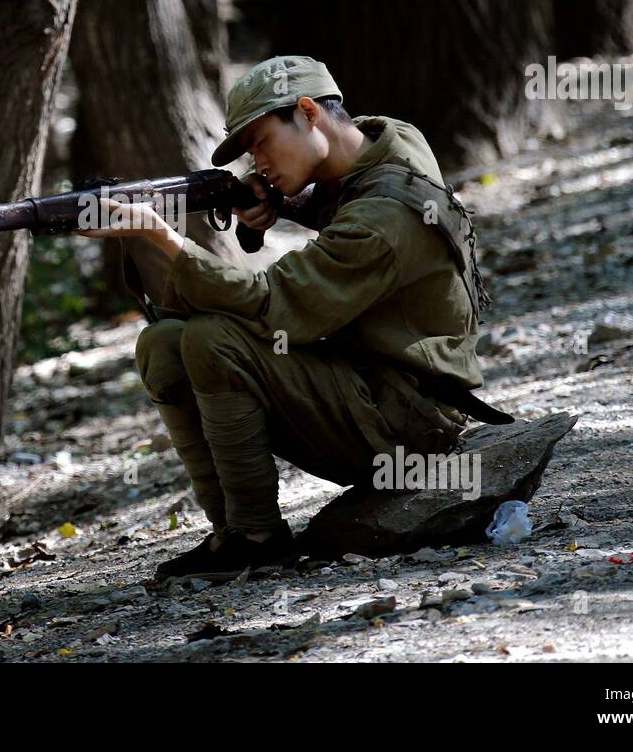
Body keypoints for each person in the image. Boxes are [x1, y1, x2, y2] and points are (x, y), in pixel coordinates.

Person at [77, 55, 499, 581]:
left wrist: (161, 237)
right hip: (373, 387)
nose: (256, 165)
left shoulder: (383, 220)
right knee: (163, 343)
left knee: (213, 339)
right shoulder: (393, 139)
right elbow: (348, 186)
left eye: (260, 143)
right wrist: (288, 203)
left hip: (409, 428)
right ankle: (230, 533)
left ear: (307, 112)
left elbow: (270, 304)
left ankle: (258, 538)